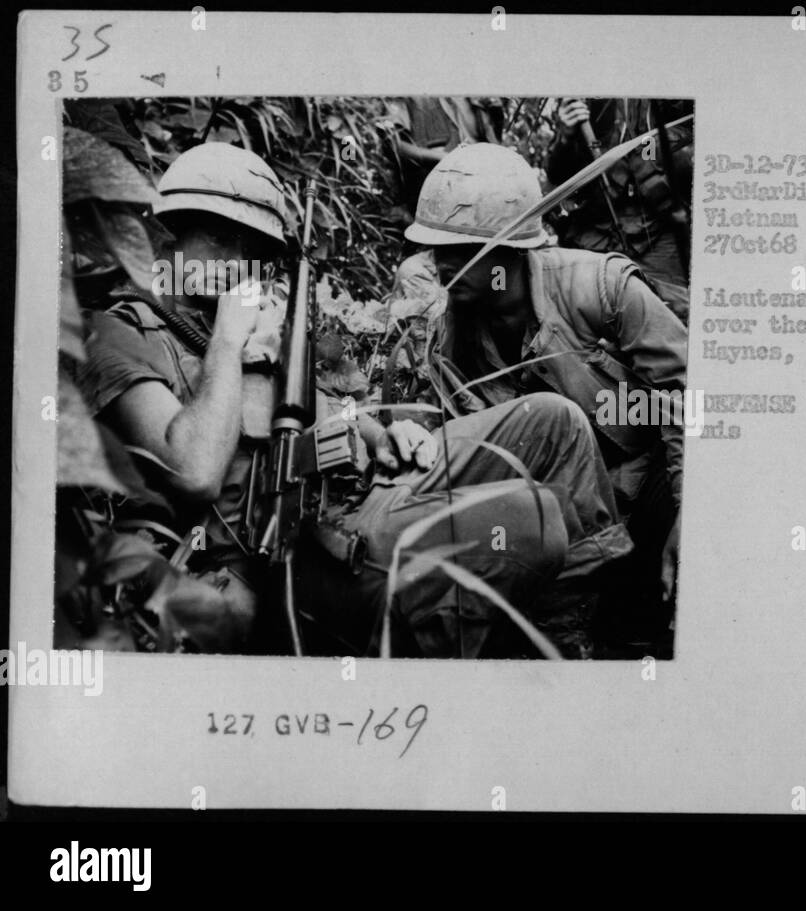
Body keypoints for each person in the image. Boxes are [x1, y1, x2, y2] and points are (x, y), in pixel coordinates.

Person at [77, 141, 631, 658]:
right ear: (165, 238)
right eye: (220, 239)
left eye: (252, 250)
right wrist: (228, 344)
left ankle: (572, 635)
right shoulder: (118, 334)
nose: (238, 263)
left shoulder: (239, 327)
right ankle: (445, 659)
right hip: (274, 563)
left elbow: (319, 409)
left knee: (551, 420)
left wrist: (379, 431)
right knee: (532, 517)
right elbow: (192, 472)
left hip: (344, 508)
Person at [405, 143, 688, 655]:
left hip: (649, 483)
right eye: (435, 250)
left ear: (509, 250)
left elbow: (688, 395)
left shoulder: (600, 287)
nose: (441, 266)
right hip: (563, 513)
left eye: (459, 251)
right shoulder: (450, 336)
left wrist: (689, 514)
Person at [545, 98, 693, 322]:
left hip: (659, 233)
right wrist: (565, 136)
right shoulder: (587, 96)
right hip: (597, 235)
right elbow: (557, 174)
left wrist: (652, 154)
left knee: (672, 319)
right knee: (595, 320)